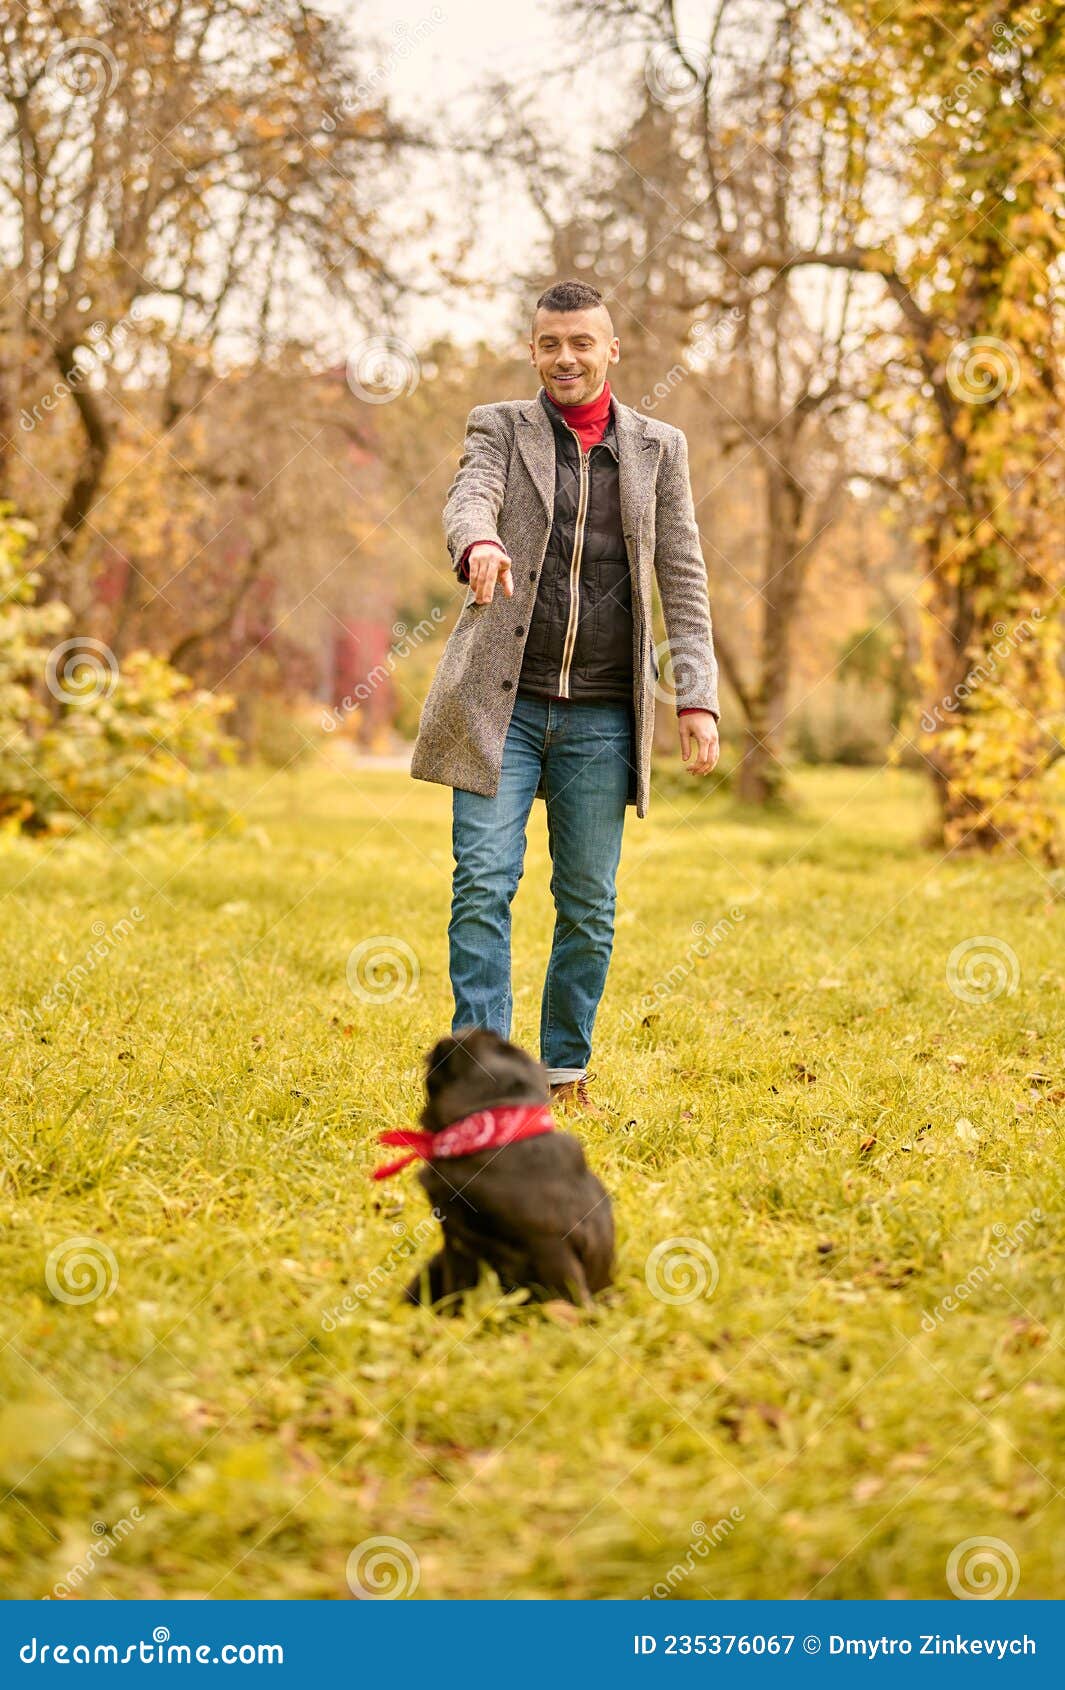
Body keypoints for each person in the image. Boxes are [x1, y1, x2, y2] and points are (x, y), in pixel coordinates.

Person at [411, 278, 720, 1113]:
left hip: (602, 716)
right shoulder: (501, 428)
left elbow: (682, 576)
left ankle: (561, 1074)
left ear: (611, 349)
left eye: (581, 342)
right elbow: (467, 495)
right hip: (498, 708)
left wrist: (695, 695)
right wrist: (476, 539)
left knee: (587, 904)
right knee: (482, 881)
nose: (565, 358)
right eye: (550, 344)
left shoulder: (658, 448)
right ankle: (481, 1076)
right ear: (533, 350)